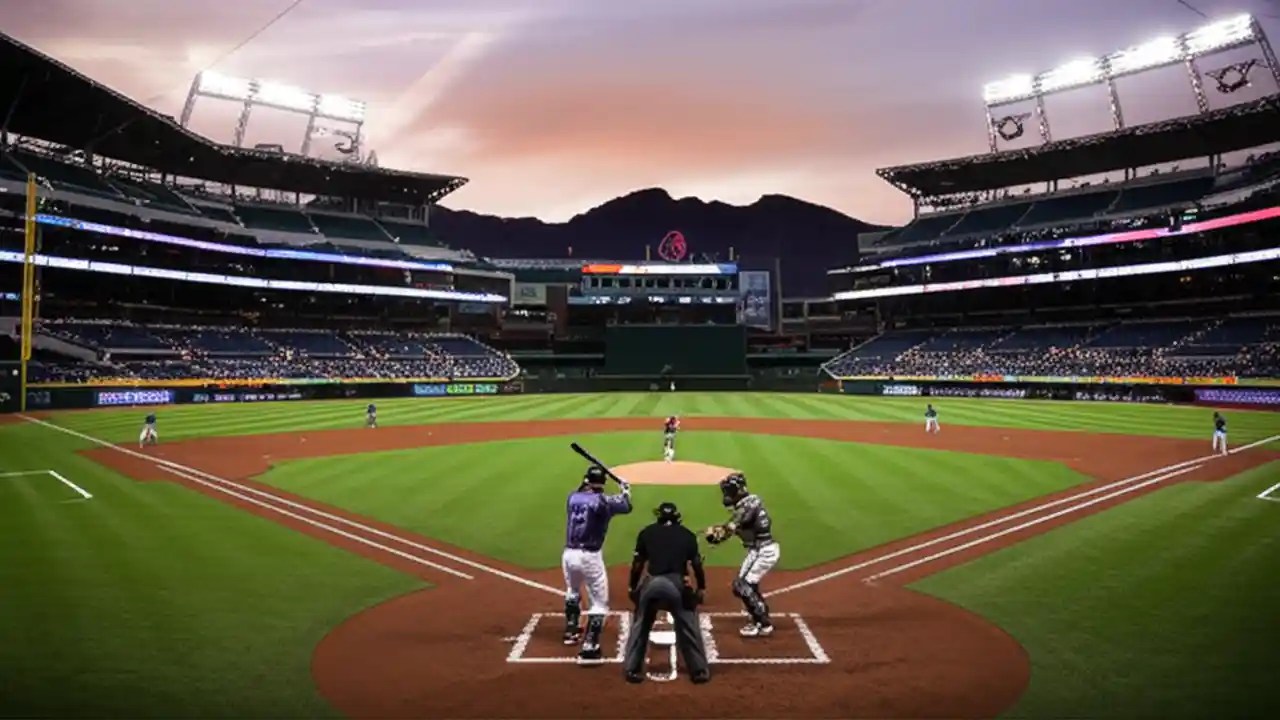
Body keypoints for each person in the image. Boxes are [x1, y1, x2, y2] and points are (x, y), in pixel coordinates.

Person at [622, 501, 711, 685]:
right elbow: (696, 565)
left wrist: (632, 587)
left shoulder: (647, 533)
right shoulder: (687, 535)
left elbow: (638, 564)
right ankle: (698, 670)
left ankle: (632, 668)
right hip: (676, 584)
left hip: (652, 584)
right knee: (688, 623)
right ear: (677, 517)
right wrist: (700, 588)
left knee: (640, 623)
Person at [562, 466, 633, 663]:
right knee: (599, 603)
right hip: (590, 557)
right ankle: (590, 645)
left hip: (568, 554)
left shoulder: (572, 498)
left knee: (572, 590)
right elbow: (626, 506)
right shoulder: (603, 502)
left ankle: (571, 631)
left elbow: (584, 491)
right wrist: (625, 490)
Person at [704, 472, 780, 637]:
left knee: (743, 585)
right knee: (744, 585)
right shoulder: (749, 503)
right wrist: (716, 535)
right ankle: (760, 611)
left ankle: (762, 623)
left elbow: (732, 526)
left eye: (728, 491)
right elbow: (732, 528)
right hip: (758, 550)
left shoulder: (747, 507)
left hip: (763, 551)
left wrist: (717, 533)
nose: (726, 495)